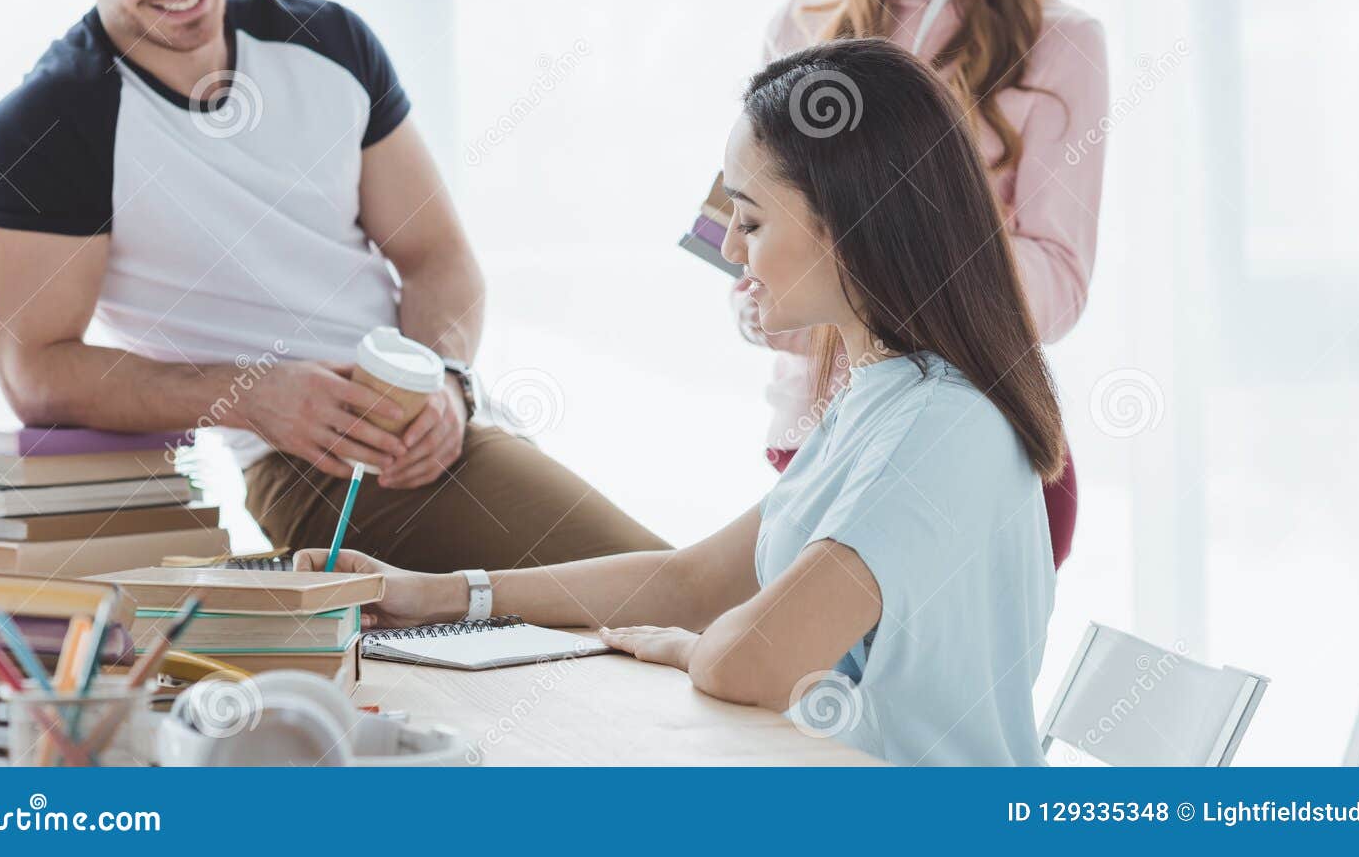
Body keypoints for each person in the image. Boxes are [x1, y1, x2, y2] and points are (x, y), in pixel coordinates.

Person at [0, 0, 665, 569]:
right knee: (661, 588)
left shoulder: (327, 43)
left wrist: (446, 380)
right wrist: (252, 395)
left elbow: (437, 258)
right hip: (307, 463)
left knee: (666, 597)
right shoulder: (50, 129)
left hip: (437, 419)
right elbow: (37, 370)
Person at [305, 39, 1063, 766]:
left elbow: (749, 661)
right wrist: (436, 597)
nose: (730, 247)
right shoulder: (883, 398)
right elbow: (693, 582)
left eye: (752, 219)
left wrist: (691, 649)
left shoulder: (941, 424)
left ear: (852, 222)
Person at [737, 0, 1109, 568]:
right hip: (817, 439)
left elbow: (1059, 283)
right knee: (786, 698)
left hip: (968, 449)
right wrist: (759, 300)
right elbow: (731, 232)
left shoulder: (1063, 43)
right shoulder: (799, 27)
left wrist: (872, 270)